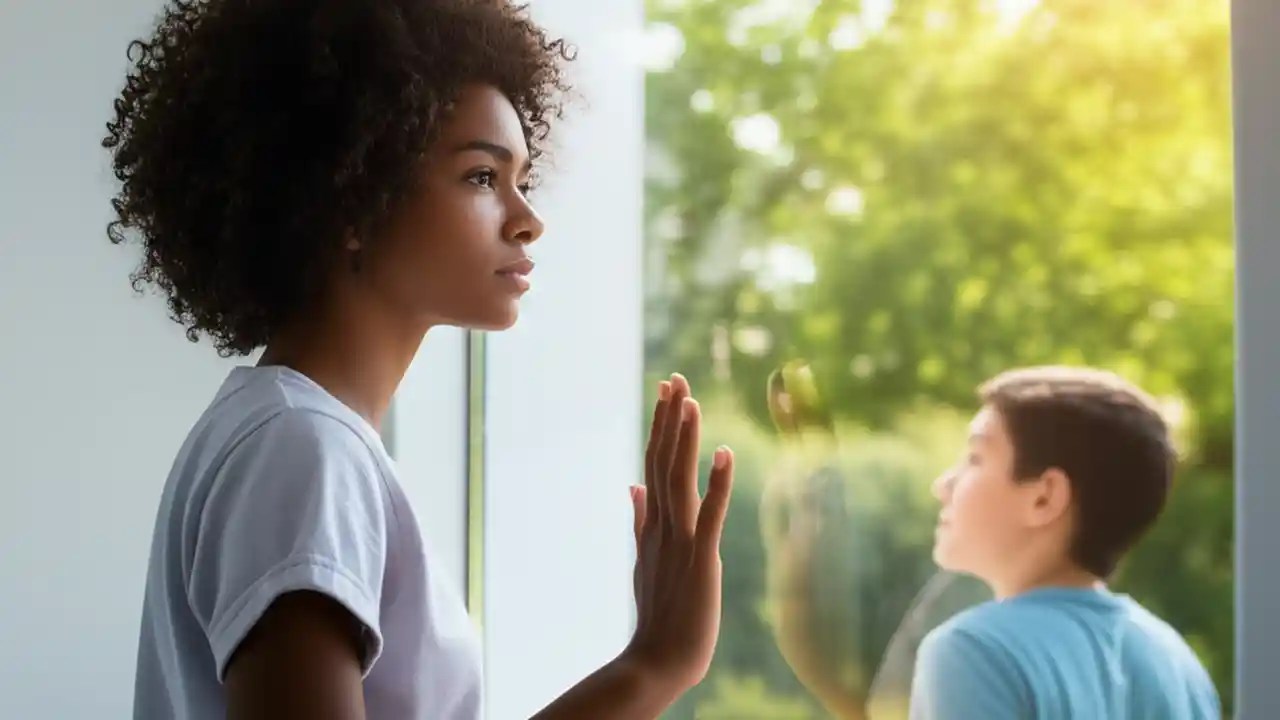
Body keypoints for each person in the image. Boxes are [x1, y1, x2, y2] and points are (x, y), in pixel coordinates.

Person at [104, 1, 735, 718]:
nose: (528, 217)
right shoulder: (301, 450)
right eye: (480, 177)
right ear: (349, 197)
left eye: (522, 179)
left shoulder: (281, 434)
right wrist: (654, 665)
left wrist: (653, 662)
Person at [908, 366, 1220, 719]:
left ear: (1045, 498)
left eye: (975, 458)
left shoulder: (973, 651)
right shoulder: (1176, 662)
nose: (943, 485)